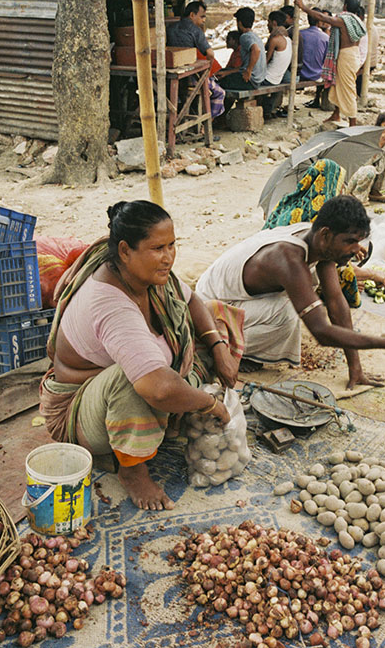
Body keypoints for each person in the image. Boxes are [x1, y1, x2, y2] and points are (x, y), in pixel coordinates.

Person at [39, 201, 244, 511]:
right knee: (137, 379)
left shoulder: (150, 278)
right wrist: (209, 403)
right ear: (124, 251)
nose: (169, 257)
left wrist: (217, 347)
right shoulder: (111, 304)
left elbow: (193, 302)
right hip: (80, 411)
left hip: (138, 380)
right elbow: (157, 387)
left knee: (217, 317)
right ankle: (131, 469)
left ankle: (171, 410)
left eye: (172, 245)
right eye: (157, 248)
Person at [197, 195, 385, 387]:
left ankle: (242, 342)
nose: (355, 249)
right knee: (289, 311)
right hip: (210, 308)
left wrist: (355, 368)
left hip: (236, 295)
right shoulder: (288, 259)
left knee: (297, 305)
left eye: (358, 242)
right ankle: (226, 348)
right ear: (325, 235)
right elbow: (321, 332)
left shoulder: (319, 241)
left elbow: (336, 303)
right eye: (350, 241)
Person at [262, 158, 385, 307]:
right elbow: (333, 264)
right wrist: (370, 275)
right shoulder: (315, 218)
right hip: (282, 282)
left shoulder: (288, 203)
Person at [295, 0, 366, 127]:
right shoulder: (356, 20)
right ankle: (336, 114)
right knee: (338, 85)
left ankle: (353, 123)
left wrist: (304, 7)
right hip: (352, 55)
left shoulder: (344, 20)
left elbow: (322, 17)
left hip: (346, 56)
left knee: (348, 89)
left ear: (345, 6)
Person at [167, 1, 225, 118]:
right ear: (192, 15)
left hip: (171, 78)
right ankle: (206, 127)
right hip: (190, 78)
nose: (204, 20)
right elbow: (210, 54)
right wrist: (207, 72)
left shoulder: (170, 28)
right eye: (202, 16)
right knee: (220, 93)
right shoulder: (195, 30)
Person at [343, 111, 385, 203]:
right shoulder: (368, 139)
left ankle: (374, 192)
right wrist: (379, 145)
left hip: (372, 182)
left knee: (383, 163)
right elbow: (361, 165)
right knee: (370, 170)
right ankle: (357, 197)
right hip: (356, 180)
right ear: (379, 126)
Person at [218, 7, 266, 93]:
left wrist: (248, 71)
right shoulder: (255, 36)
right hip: (256, 80)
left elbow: (256, 50)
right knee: (223, 72)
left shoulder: (245, 36)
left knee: (216, 82)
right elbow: (242, 67)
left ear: (239, 23)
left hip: (250, 81)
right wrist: (227, 72)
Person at [300, 11, 330, 109]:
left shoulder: (300, 34)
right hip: (317, 75)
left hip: (300, 74)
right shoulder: (325, 38)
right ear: (319, 21)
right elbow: (326, 60)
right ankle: (318, 99)